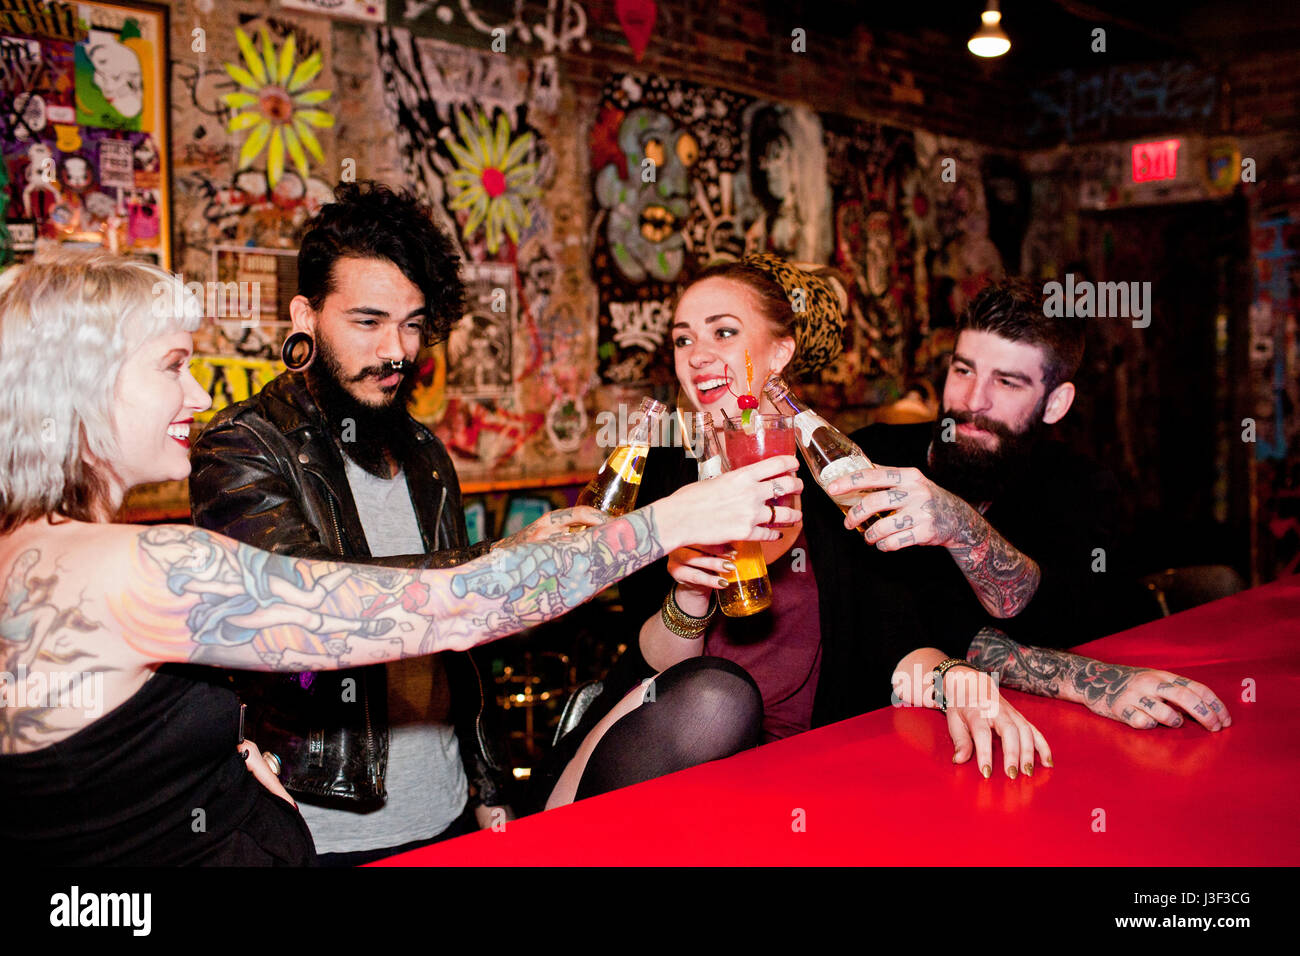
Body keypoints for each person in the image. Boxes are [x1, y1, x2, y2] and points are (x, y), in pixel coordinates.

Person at [0, 249, 799, 864]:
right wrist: (662, 525)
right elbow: (444, 608)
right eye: (172, 367)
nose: (201, 394)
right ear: (84, 384)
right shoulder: (137, 565)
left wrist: (226, 756)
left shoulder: (34, 556)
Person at [539, 255, 1229, 807]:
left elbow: (900, 641)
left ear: (779, 355)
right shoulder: (659, 475)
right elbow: (648, 657)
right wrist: (682, 591)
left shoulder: (844, 477)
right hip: (670, 738)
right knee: (720, 695)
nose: (697, 355)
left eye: (723, 332)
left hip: (800, 765)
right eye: (683, 337)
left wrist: (972, 679)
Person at [188, 182, 587, 864]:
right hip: (322, 829)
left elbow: (461, 652)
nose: (397, 350)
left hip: (448, 809)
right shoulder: (241, 446)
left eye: (412, 324)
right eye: (368, 322)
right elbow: (310, 605)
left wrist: (488, 788)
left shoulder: (425, 452)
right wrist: (502, 562)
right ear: (305, 317)